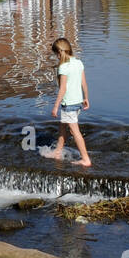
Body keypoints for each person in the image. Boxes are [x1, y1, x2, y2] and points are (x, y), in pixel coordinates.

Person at [48, 37, 91, 167]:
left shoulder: (63, 67)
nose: (56, 56)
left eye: (56, 53)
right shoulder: (78, 62)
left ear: (59, 52)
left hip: (69, 104)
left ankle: (85, 159)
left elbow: (63, 88)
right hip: (78, 102)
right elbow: (84, 83)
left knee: (74, 131)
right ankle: (57, 152)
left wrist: (55, 106)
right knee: (63, 126)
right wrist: (86, 98)